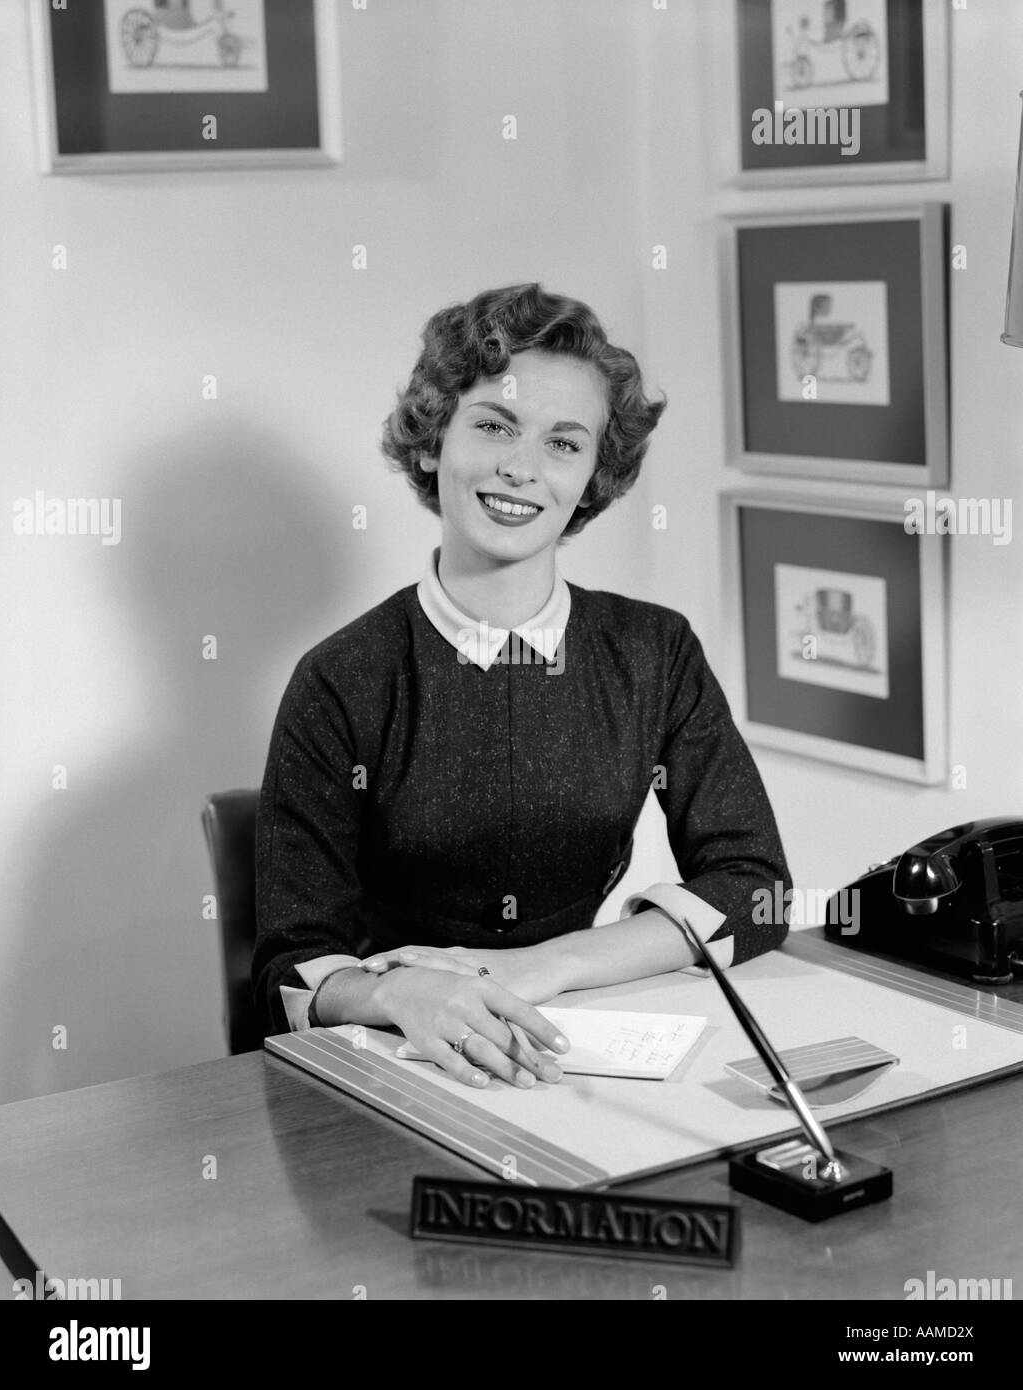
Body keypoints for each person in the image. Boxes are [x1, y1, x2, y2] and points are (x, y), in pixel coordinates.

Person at [252, 283, 791, 1090]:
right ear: (433, 441)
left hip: (573, 1045)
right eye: (495, 425)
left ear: (593, 479)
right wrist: (402, 992)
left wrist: (551, 964)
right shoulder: (341, 679)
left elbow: (757, 892)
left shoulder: (654, 650)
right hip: (394, 1059)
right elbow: (291, 970)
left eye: (563, 443)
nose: (521, 468)